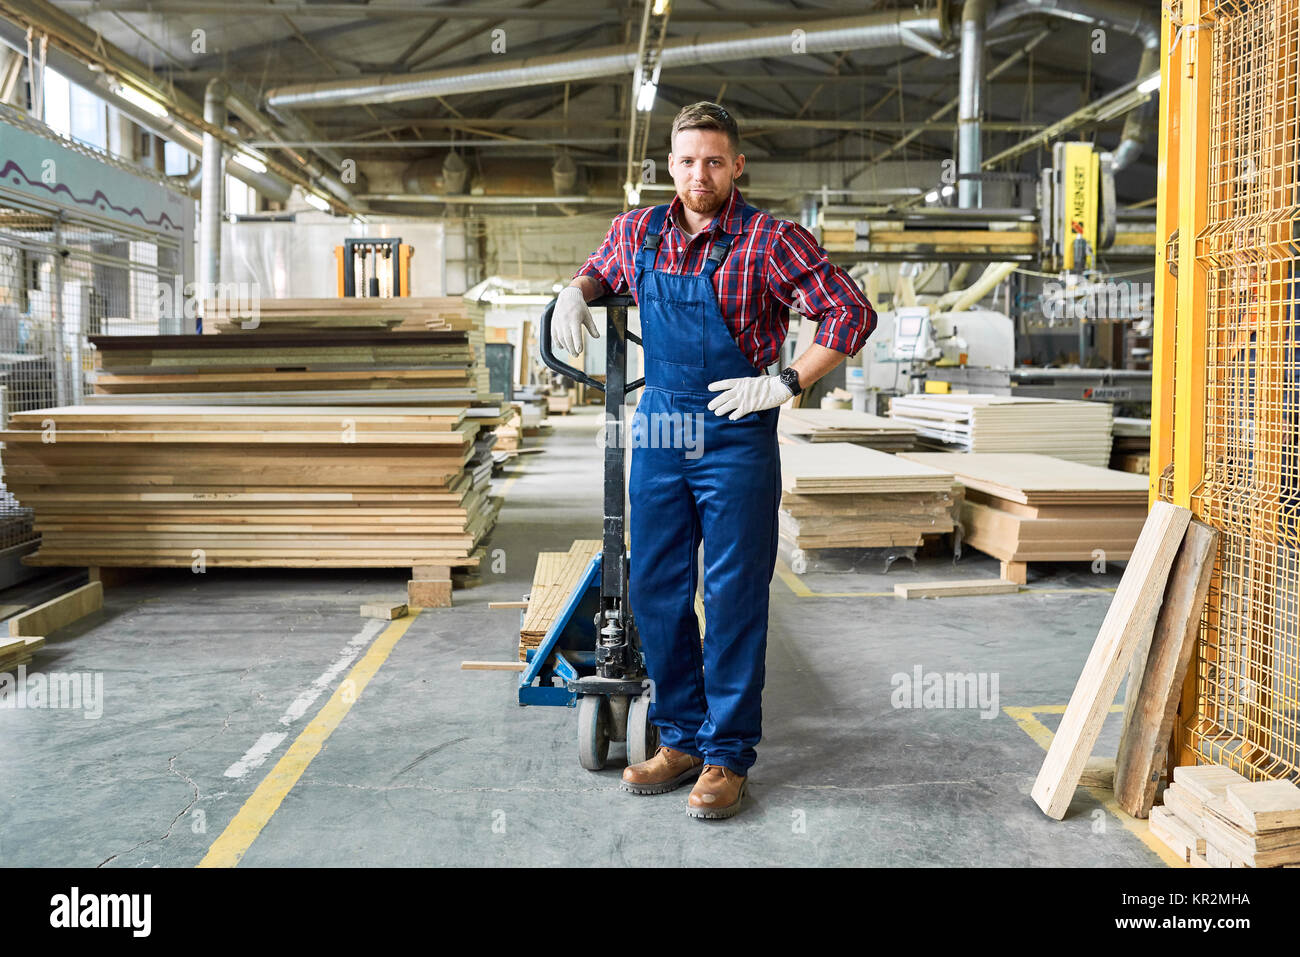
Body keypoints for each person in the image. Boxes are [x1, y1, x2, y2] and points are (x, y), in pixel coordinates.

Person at [553, 101, 876, 820]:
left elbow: (851, 312)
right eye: (687, 161)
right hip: (661, 426)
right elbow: (600, 270)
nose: (700, 174)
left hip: (736, 428)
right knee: (656, 588)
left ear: (736, 166)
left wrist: (786, 381)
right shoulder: (637, 231)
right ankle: (680, 739)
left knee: (732, 595)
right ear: (670, 165)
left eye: (714, 161)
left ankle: (727, 755)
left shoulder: (772, 239)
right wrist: (574, 291)